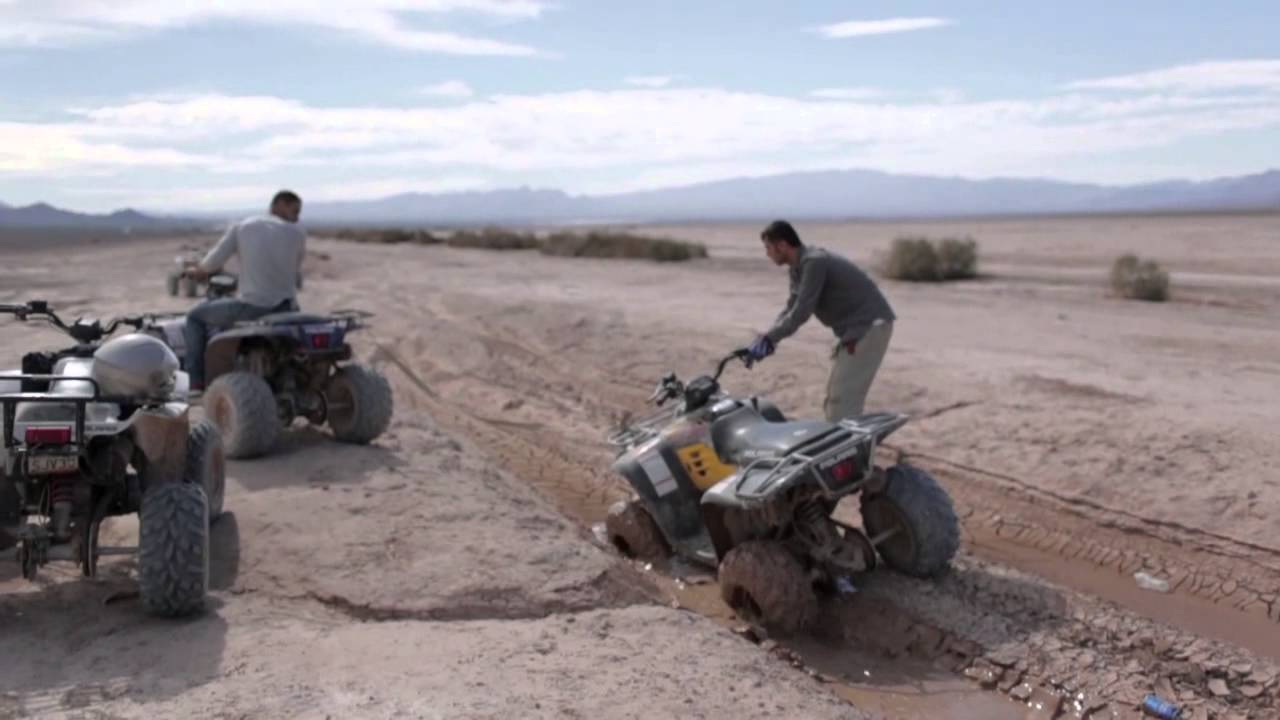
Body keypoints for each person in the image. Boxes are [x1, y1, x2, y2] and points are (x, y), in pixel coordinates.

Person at [745, 220, 896, 422]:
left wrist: (772, 338)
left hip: (868, 327)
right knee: (836, 396)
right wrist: (766, 337)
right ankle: (846, 447)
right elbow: (791, 306)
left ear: (782, 245)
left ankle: (850, 451)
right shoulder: (798, 267)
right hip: (857, 331)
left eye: (768, 248)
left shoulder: (814, 262)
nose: (767, 254)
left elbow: (802, 311)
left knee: (843, 400)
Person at [182, 190, 306, 393]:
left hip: (253, 306)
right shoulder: (298, 232)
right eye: (295, 210)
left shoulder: (243, 227)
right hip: (289, 306)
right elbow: (295, 268)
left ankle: (195, 383)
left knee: (195, 317)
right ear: (280, 204)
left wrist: (198, 271)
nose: (298, 216)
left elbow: (214, 261)